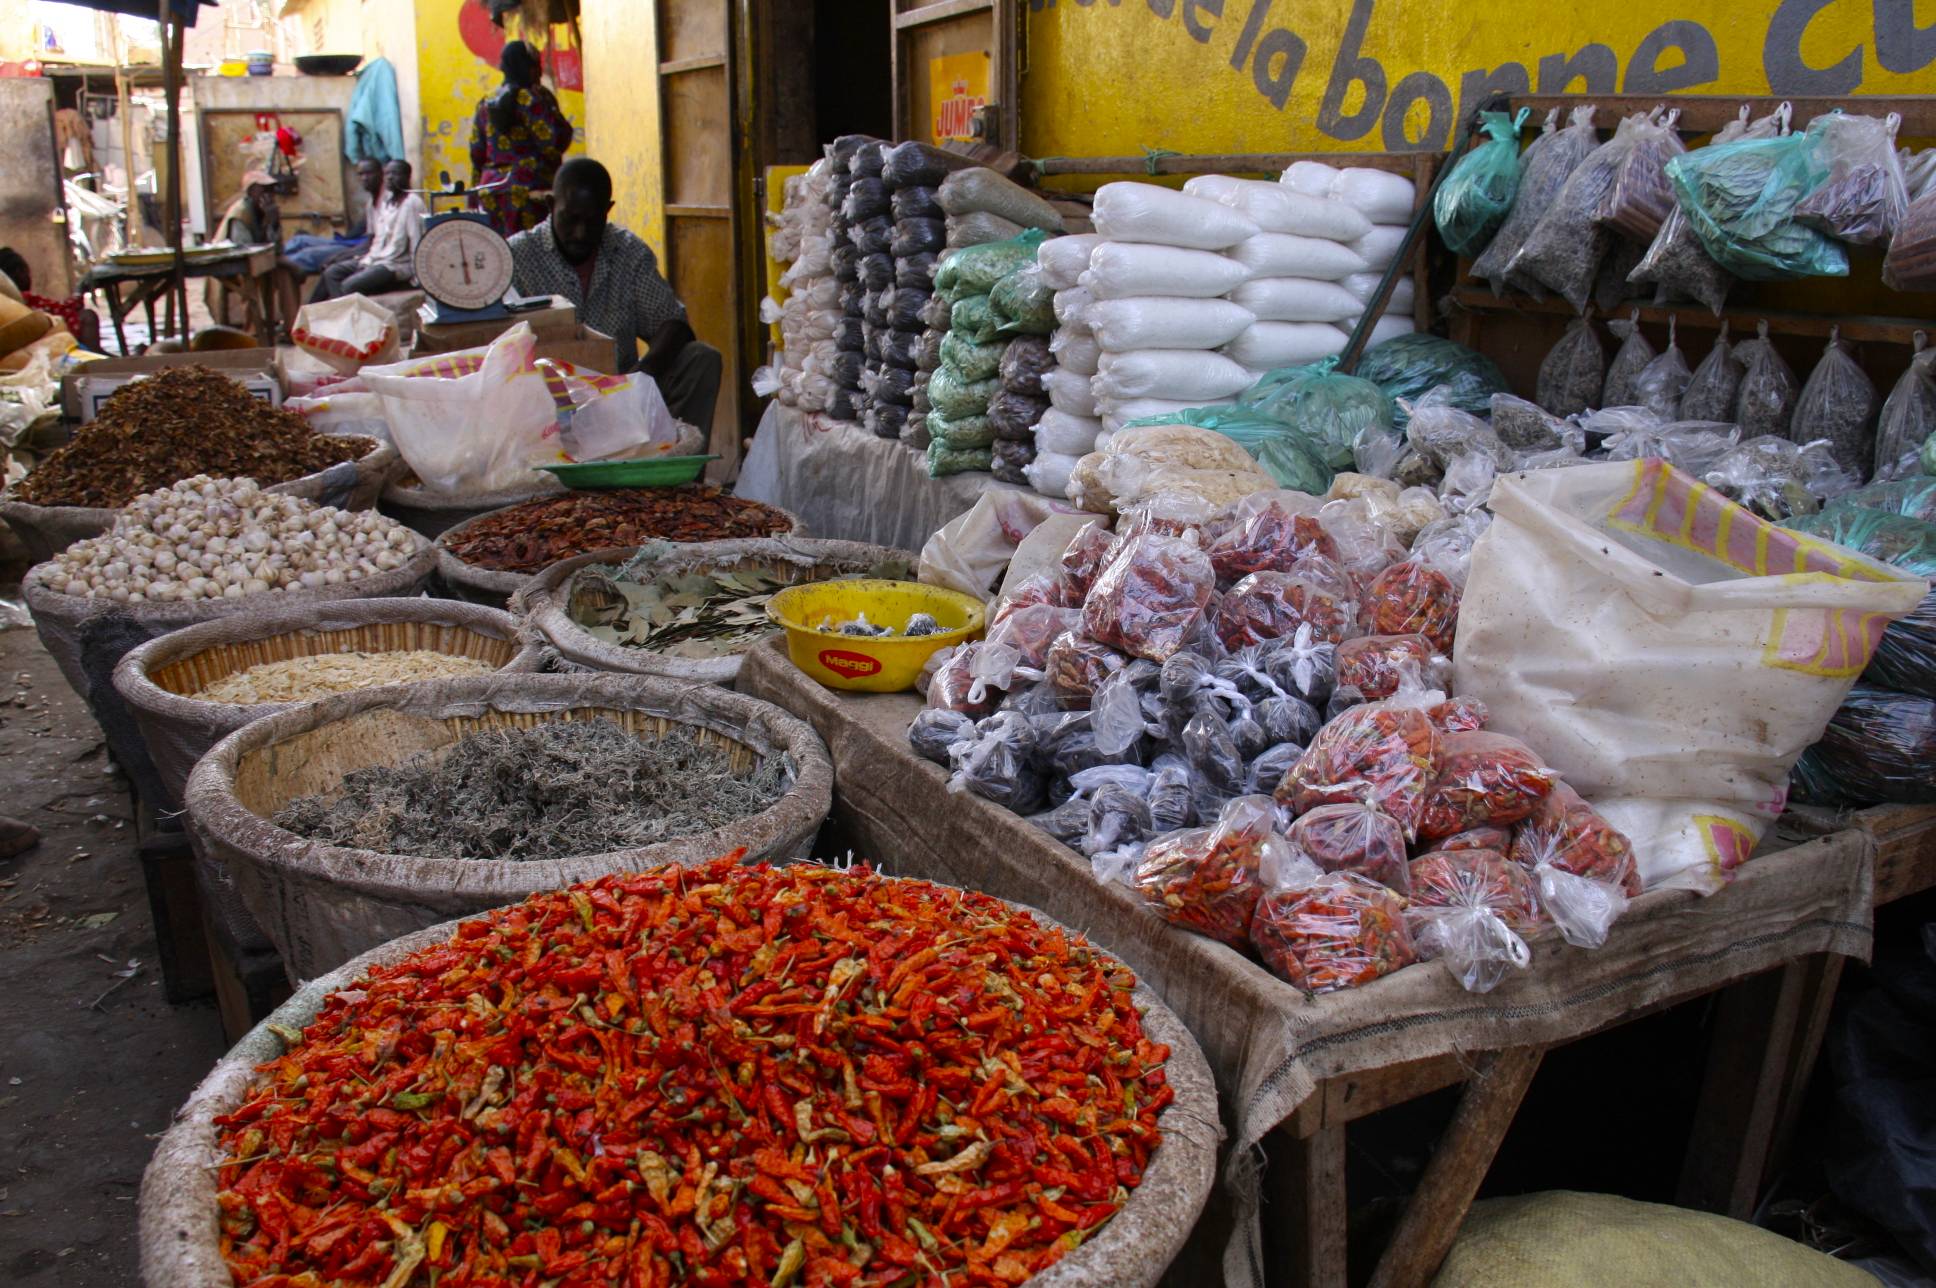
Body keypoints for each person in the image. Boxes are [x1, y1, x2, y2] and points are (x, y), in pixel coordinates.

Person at [508, 156, 721, 429]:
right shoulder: (517, 257)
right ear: (551, 206)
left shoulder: (628, 252)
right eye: (571, 219)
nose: (581, 233)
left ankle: (677, 470)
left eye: (593, 220)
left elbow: (674, 325)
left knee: (701, 358)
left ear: (608, 210)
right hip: (546, 406)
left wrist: (638, 378)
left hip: (621, 396)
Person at [469, 40, 574, 237]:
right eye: (536, 65)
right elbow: (553, 142)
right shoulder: (533, 98)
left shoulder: (485, 101)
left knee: (500, 255)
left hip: (491, 192)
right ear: (527, 66)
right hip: (528, 193)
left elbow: (476, 151)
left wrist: (475, 193)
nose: (540, 71)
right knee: (532, 254)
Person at [308, 159, 428, 303]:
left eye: (395, 174)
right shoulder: (387, 203)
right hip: (377, 258)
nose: (390, 178)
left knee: (349, 285)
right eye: (387, 174)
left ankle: (351, 319)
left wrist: (419, 277)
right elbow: (376, 239)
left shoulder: (412, 203)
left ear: (407, 177)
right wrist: (364, 260)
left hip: (397, 264)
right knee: (331, 273)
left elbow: (418, 242)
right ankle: (345, 316)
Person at [210, 170, 304, 338]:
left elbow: (276, 249)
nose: (269, 196)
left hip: (260, 264)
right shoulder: (240, 213)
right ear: (252, 192)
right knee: (251, 281)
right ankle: (253, 331)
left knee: (286, 275)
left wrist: (272, 224)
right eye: (264, 190)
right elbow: (245, 252)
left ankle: (293, 329)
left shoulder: (268, 212)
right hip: (233, 267)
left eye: (271, 191)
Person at [0, 247, 99, 351]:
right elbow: (64, 309)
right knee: (88, 315)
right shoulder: (26, 299)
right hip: (45, 344)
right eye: (25, 272)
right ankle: (94, 356)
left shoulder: (8, 302)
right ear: (18, 272)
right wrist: (80, 291)